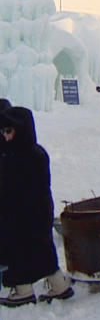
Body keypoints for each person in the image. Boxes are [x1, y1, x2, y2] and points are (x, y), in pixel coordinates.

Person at [0, 106, 74, 306]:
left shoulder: (19, 156)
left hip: (23, 214)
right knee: (43, 249)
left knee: (19, 251)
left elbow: (13, 189)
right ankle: (59, 285)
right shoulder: (35, 151)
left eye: (8, 131)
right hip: (38, 212)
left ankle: (22, 291)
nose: (5, 136)